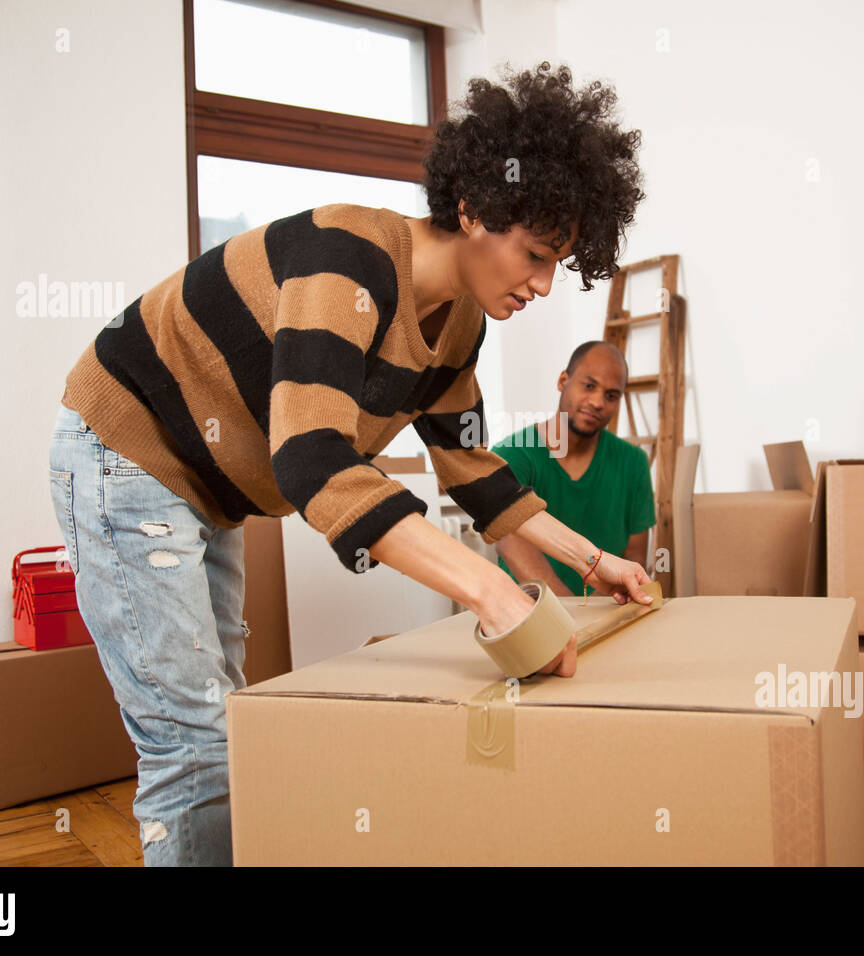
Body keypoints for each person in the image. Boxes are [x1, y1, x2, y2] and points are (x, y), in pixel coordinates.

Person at [47, 62, 649, 866]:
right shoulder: (347, 257)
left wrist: (595, 558)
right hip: (126, 450)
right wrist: (491, 591)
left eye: (557, 263)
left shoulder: (462, 325)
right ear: (473, 208)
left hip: (212, 486)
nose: (543, 283)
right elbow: (315, 463)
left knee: (222, 725)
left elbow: (474, 470)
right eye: (535, 254)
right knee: (191, 744)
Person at [492, 341, 655, 597]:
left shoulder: (633, 462)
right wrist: (572, 618)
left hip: (605, 617)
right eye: (589, 386)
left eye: (611, 395)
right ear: (562, 381)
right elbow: (509, 541)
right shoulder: (511, 454)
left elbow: (634, 556)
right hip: (530, 615)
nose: (598, 402)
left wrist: (605, 616)